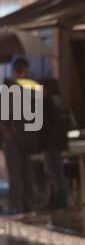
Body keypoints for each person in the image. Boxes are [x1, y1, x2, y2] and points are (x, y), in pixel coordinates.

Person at [1, 56, 41, 218]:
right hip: (29, 137)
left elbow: (4, 116)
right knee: (26, 173)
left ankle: (16, 206)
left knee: (15, 174)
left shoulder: (9, 89)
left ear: (14, 71)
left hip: (13, 137)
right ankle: (27, 206)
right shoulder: (34, 88)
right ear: (26, 71)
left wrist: (5, 135)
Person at [39, 77, 74, 210]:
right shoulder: (59, 102)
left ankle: (60, 200)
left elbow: (46, 125)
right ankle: (57, 199)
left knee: (55, 172)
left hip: (51, 142)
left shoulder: (48, 103)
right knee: (55, 171)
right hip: (57, 142)